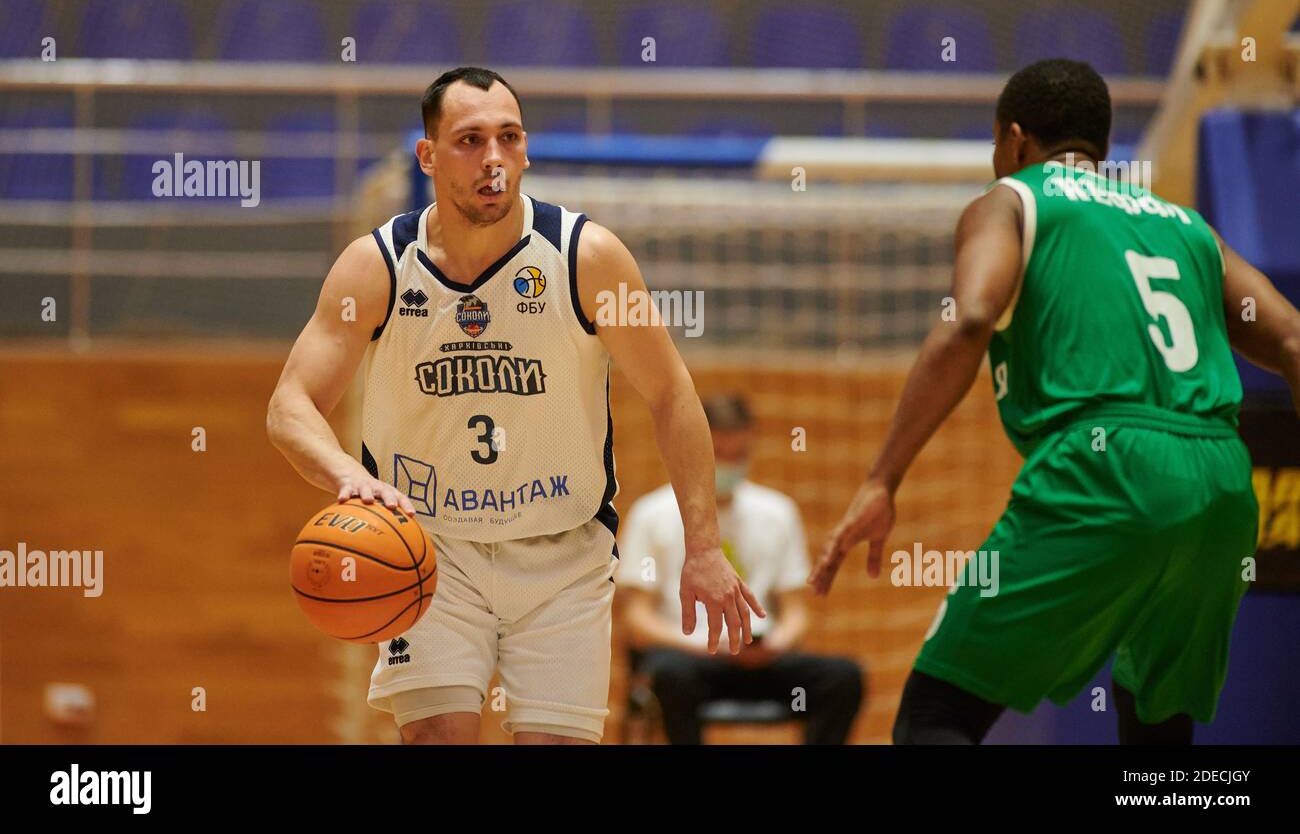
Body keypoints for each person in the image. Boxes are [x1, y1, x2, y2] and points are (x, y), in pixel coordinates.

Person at [809, 58, 1300, 745]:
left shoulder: (1013, 199)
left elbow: (970, 319)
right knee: (1157, 723)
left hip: (1106, 468)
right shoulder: (1187, 226)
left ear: (1014, 141)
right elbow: (1292, 339)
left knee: (937, 712)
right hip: (1222, 483)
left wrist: (882, 478)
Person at [267, 66, 763, 745]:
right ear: (428, 156)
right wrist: (347, 475)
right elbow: (291, 404)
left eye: (509, 137)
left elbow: (672, 395)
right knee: (437, 737)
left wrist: (702, 546)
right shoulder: (377, 266)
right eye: (470, 140)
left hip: (565, 558)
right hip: (430, 550)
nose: (494, 158)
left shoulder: (585, 258)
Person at [619, 393, 863, 744]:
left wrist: (777, 642)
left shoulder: (778, 512)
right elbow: (636, 619)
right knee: (670, 675)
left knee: (843, 677)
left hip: (760, 661)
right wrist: (704, 646)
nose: (729, 465)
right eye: (720, 454)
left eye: (739, 455)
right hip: (690, 661)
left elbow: (796, 611)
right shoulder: (652, 513)